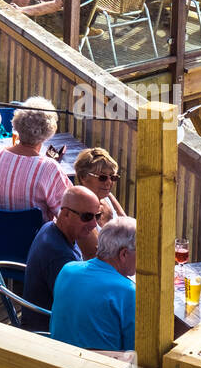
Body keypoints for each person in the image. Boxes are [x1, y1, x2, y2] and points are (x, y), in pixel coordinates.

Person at [0, 97, 70, 220]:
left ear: (17, 124)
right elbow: (66, 215)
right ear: (49, 132)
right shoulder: (49, 168)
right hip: (34, 238)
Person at [50, 218, 137, 354]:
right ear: (124, 254)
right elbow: (135, 351)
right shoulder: (128, 291)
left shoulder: (67, 269)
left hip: (57, 358)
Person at [20, 185, 100, 331]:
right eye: (87, 217)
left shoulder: (50, 226)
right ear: (66, 214)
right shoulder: (60, 257)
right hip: (48, 331)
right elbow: (77, 310)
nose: (94, 224)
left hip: (43, 316)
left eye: (97, 216)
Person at [73, 147, 126, 259]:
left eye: (113, 177)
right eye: (102, 177)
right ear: (83, 177)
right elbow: (96, 255)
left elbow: (128, 225)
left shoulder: (107, 197)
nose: (109, 182)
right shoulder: (80, 209)